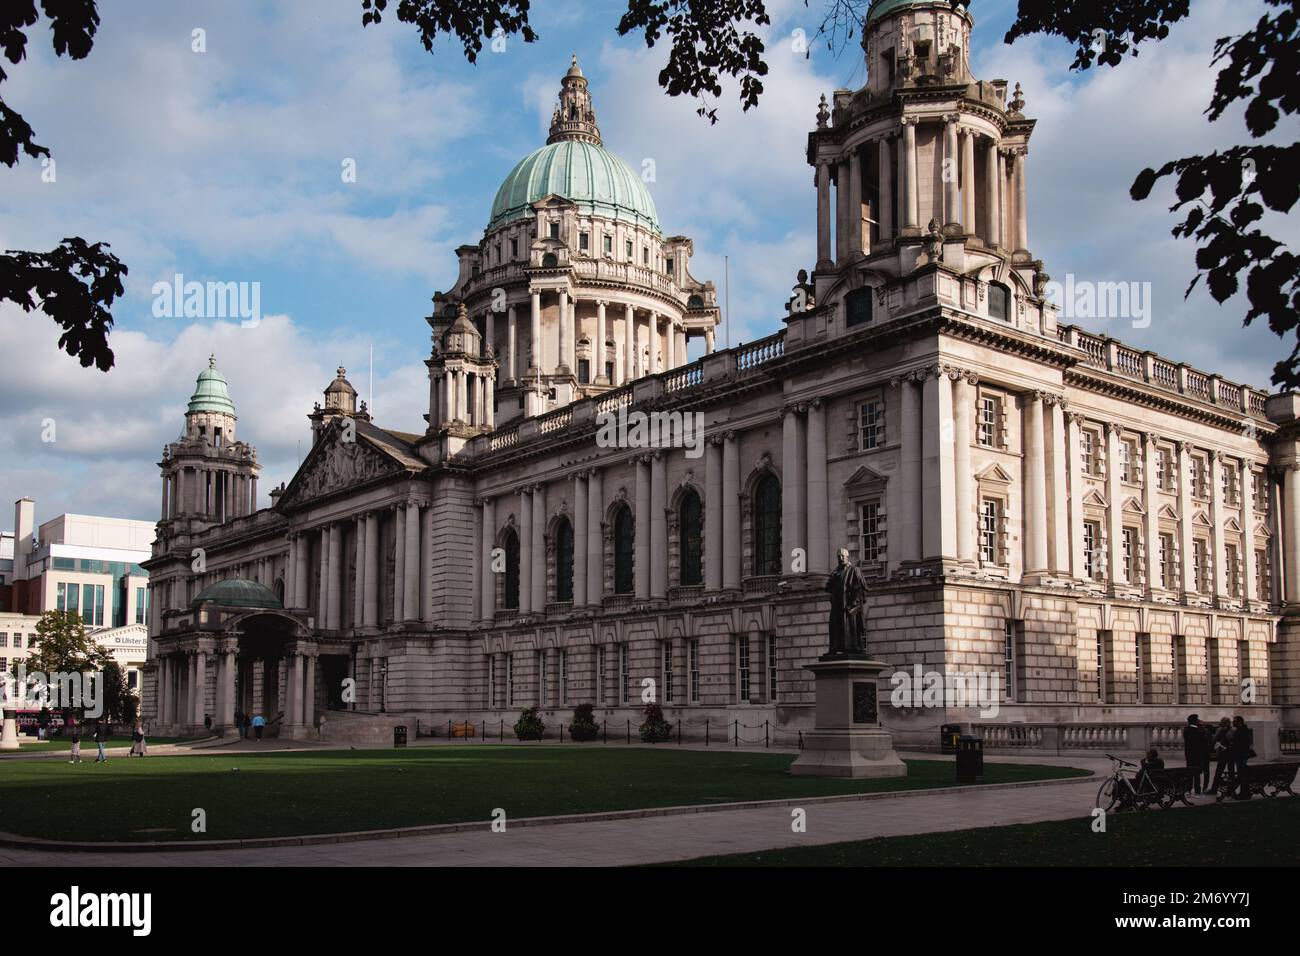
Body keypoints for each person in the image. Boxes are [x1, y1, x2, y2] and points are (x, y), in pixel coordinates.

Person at [1183, 714, 1211, 795]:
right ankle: (1197, 790)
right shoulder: (1198, 731)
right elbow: (1203, 741)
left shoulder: (1187, 730)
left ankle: (1189, 789)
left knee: (1190, 772)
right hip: (1197, 754)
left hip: (1189, 754)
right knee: (1196, 773)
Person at [1230, 716, 1254, 800]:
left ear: (1239, 722)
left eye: (1234, 721)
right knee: (1242, 774)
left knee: (1242, 774)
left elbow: (1239, 744)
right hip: (1242, 754)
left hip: (1240, 755)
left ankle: (1243, 793)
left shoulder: (1240, 731)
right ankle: (1244, 792)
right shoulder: (1243, 730)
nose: (1233, 722)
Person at [1210, 717, 1233, 792]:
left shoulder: (1220, 729)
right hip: (1231, 752)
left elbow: (1214, 739)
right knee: (1231, 771)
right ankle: (1231, 789)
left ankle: (1214, 788)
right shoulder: (1233, 730)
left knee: (1219, 771)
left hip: (1223, 752)